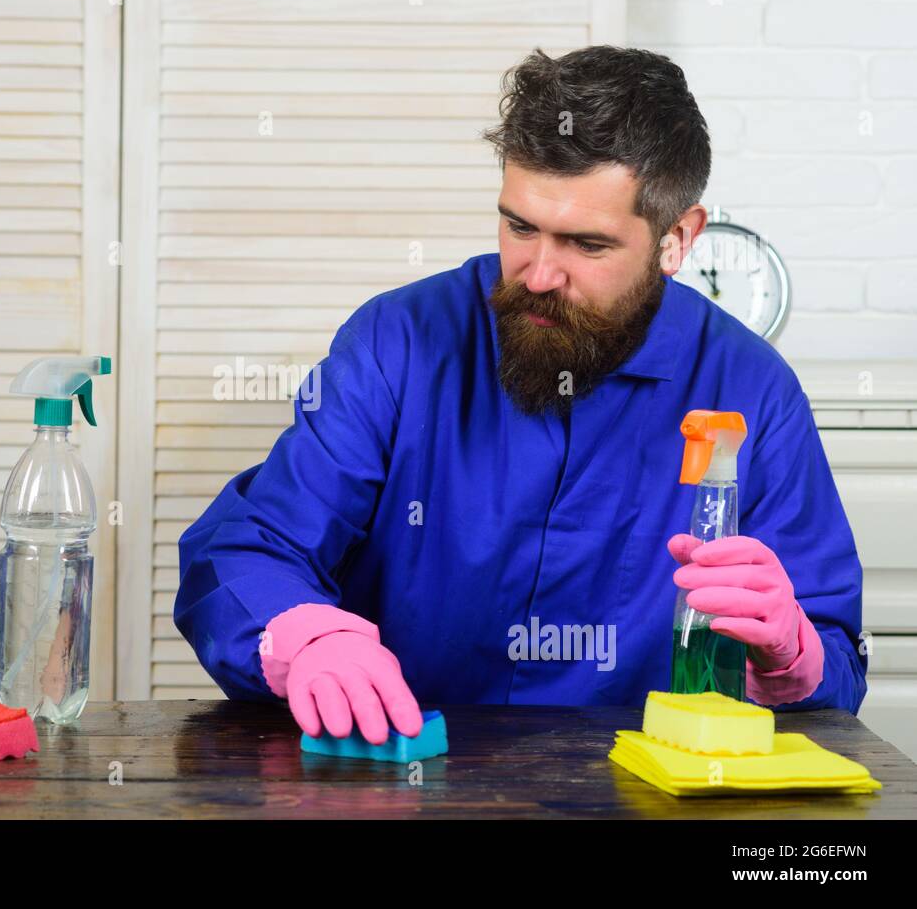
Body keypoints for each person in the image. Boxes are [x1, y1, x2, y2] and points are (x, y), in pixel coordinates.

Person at [174, 46, 867, 745]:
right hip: (398, 781)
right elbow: (247, 548)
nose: (537, 275)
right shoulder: (400, 342)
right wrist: (307, 635)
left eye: (585, 245)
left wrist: (795, 663)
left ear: (675, 239)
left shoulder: (755, 391)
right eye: (520, 225)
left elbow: (835, 658)